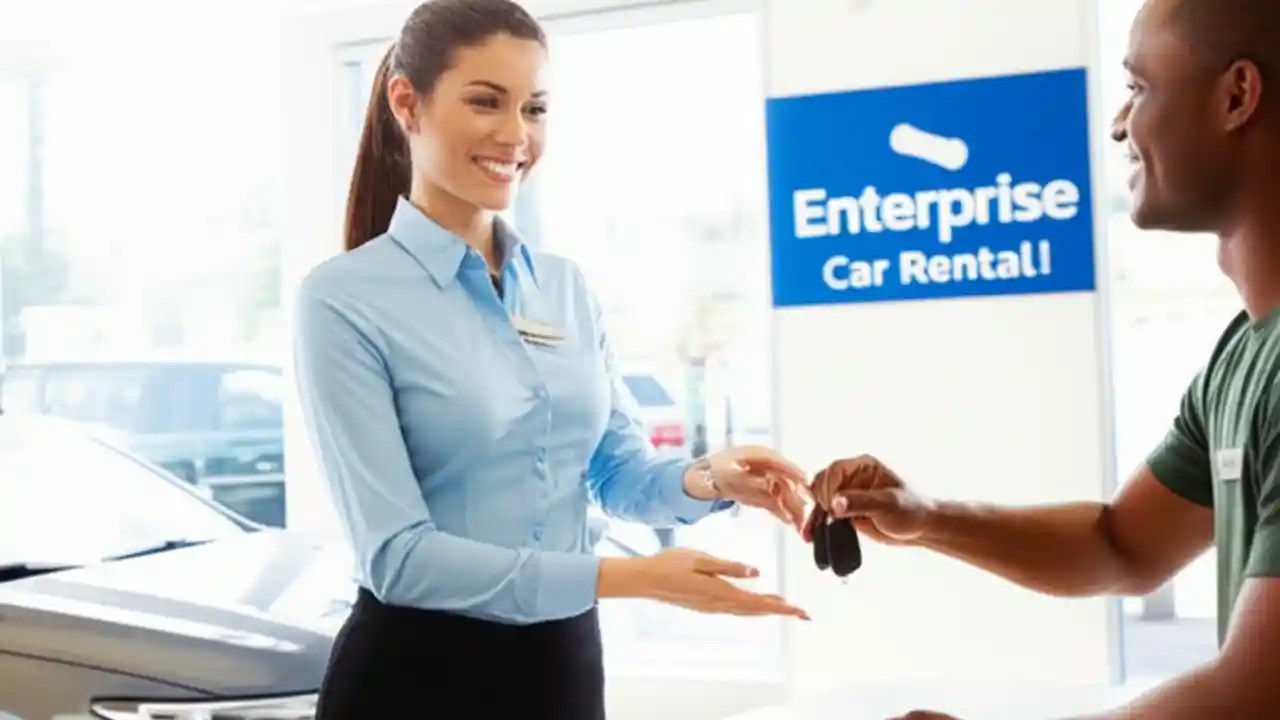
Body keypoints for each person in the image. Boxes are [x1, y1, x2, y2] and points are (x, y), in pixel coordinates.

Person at [291, 1, 810, 718]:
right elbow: (399, 559)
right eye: (486, 102)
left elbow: (616, 473)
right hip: (413, 679)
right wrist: (634, 578)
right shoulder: (344, 299)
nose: (516, 135)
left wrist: (707, 477)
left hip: (560, 671)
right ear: (405, 102)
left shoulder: (564, 287)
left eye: (535, 109)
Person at [807, 1, 1280, 718]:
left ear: (1237, 95)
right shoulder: (1243, 353)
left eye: (1141, 88)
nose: (1121, 123)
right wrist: (925, 515)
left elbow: (1257, 690)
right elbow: (1121, 544)